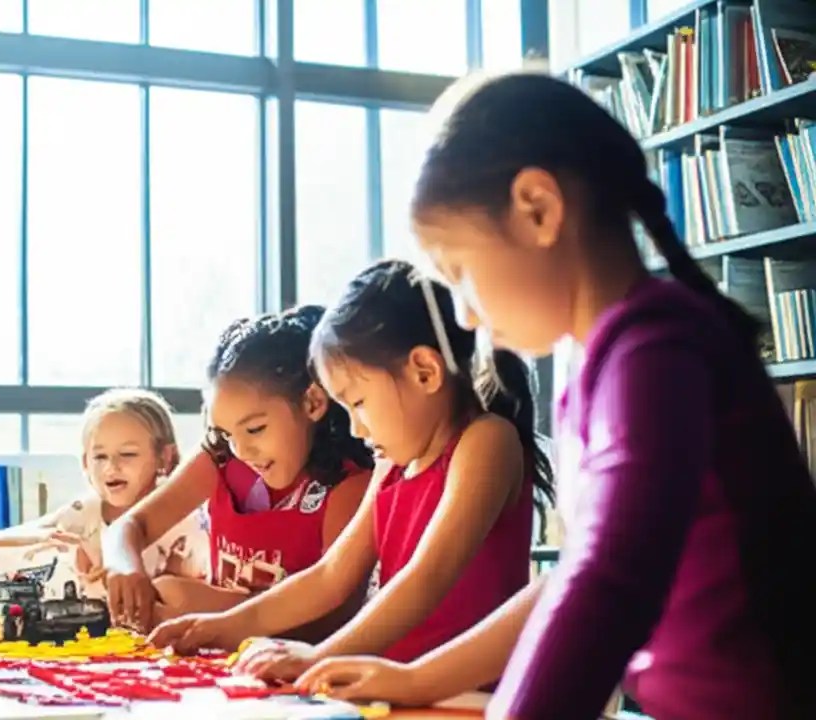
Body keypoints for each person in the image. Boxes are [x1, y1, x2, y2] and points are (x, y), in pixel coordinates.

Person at [296, 73, 816, 720]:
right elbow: (571, 576)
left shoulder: (657, 351)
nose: (463, 315)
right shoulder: (605, 364)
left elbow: (607, 582)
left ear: (538, 210)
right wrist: (418, 678)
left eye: (458, 273)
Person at [150, 260, 551, 684]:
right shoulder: (392, 465)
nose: (356, 429)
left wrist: (320, 656)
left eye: (358, 403)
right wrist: (222, 627)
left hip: (467, 693)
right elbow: (330, 577)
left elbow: (427, 577)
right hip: (391, 689)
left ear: (424, 372)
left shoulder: (487, 441)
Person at [102, 306, 374, 633]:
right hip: (214, 653)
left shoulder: (349, 485)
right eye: (227, 433)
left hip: (286, 658)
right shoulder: (220, 459)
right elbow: (130, 525)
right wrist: (124, 568)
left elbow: (338, 617)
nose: (241, 451)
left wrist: (215, 611)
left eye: (255, 429)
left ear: (312, 403)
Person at [0, 388, 208, 600]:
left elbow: (193, 602)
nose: (111, 467)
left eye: (128, 454)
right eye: (100, 457)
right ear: (85, 463)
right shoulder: (84, 512)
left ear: (164, 457)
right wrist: (50, 540)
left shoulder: (185, 525)